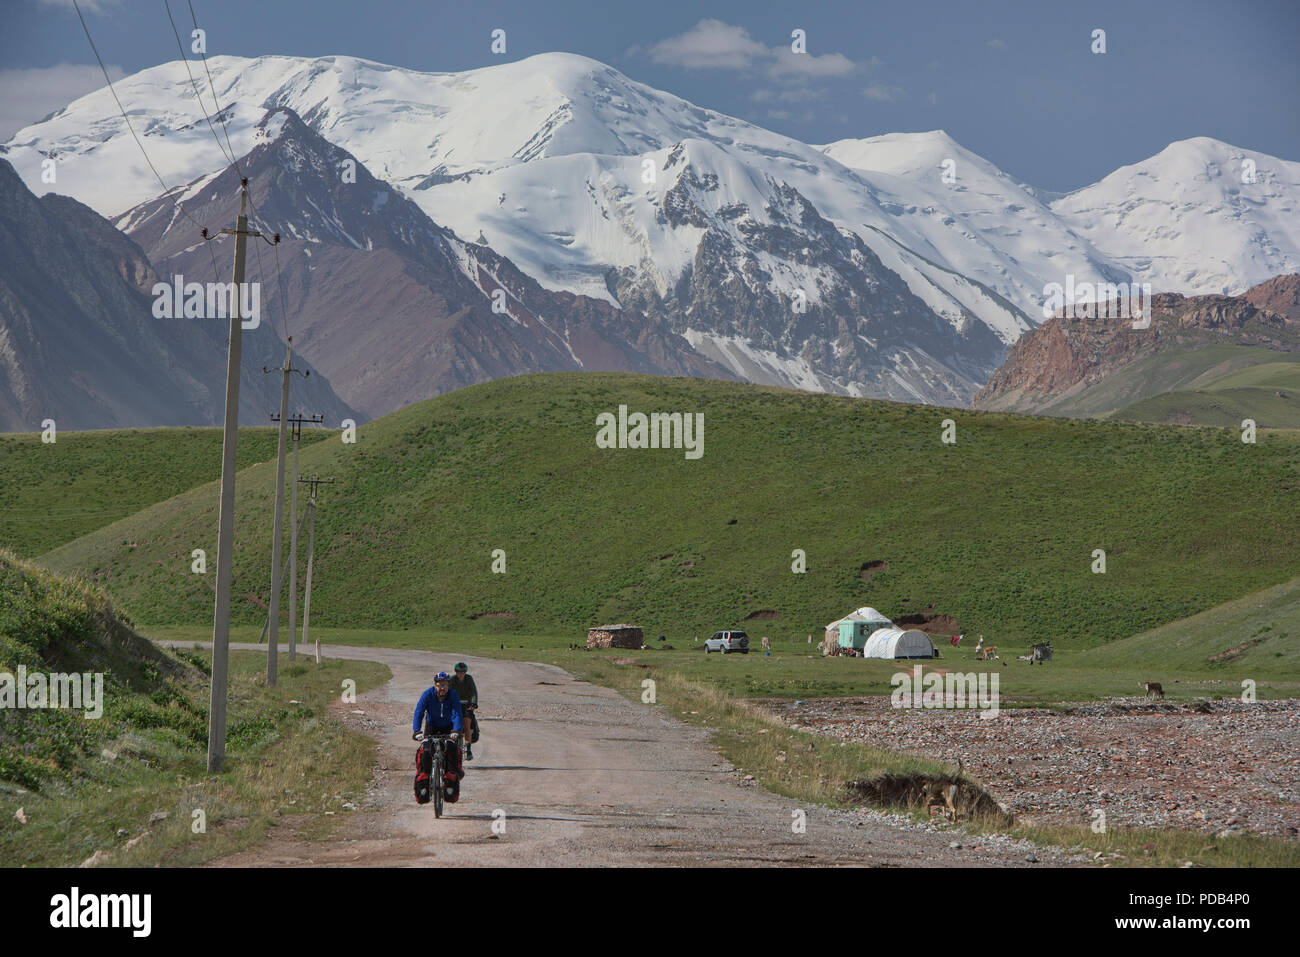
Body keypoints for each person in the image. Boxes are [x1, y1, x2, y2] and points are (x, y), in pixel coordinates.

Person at [412, 671, 463, 802]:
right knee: (426, 749)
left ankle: (450, 778)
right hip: (432, 726)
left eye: (445, 685)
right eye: (440, 685)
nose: (443, 688)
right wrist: (417, 731)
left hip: (448, 727)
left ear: (448, 685)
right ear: (435, 685)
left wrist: (456, 730)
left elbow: (457, 713)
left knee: (451, 748)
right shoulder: (427, 694)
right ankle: (425, 779)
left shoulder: (453, 695)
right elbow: (419, 712)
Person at [451, 662, 479, 760]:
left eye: (463, 672)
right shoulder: (452, 680)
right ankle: (452, 747)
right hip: (455, 704)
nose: (461, 674)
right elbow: (448, 692)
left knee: (467, 724)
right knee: (453, 724)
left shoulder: (469, 679)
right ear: (456, 672)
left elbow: (473, 692)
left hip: (466, 704)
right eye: (459, 672)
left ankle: (468, 749)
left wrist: (473, 702)